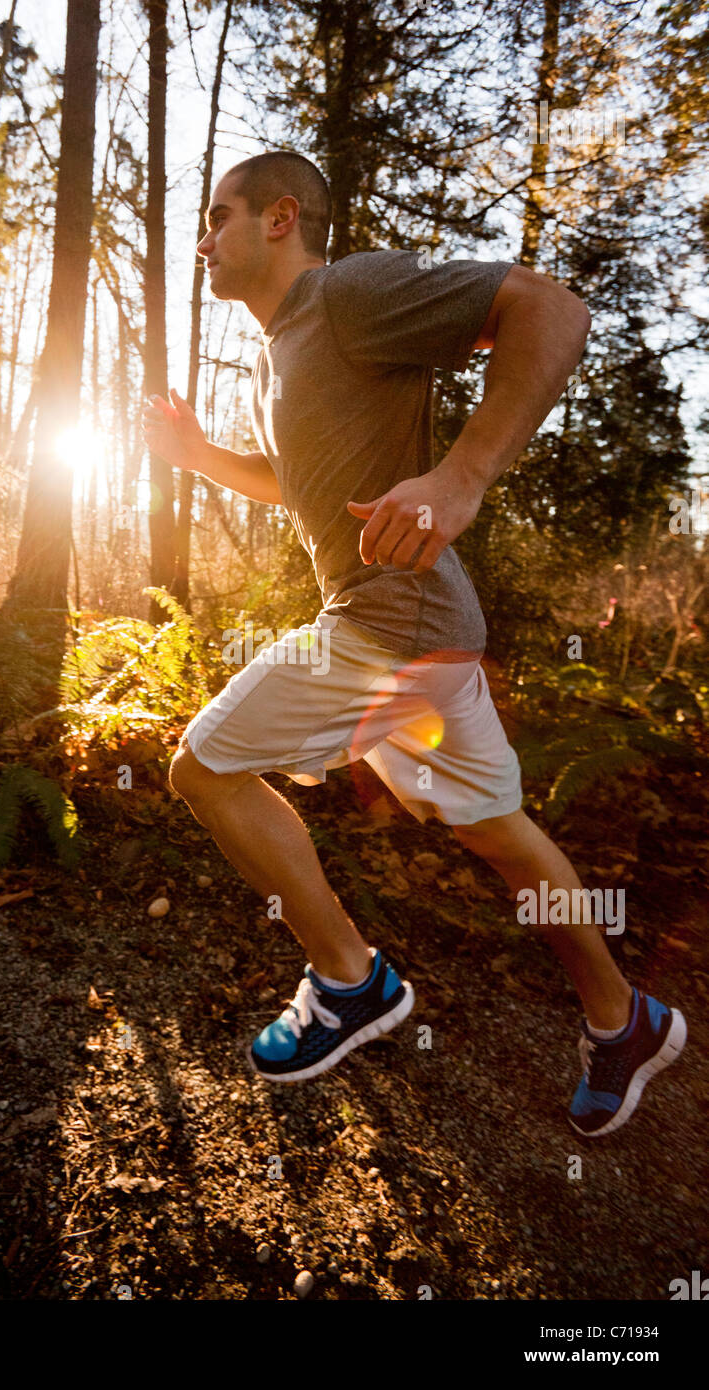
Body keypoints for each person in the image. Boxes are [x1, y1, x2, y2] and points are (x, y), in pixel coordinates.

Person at [142, 151, 686, 1137]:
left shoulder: (344, 296)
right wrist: (197, 457)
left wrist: (462, 474)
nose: (202, 239)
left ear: (278, 218)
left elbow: (549, 309)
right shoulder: (285, 350)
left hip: (383, 629)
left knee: (203, 767)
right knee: (503, 838)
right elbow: (295, 479)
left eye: (215, 216)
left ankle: (350, 981)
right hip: (425, 635)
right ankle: (623, 1021)